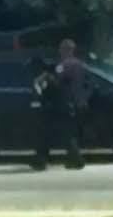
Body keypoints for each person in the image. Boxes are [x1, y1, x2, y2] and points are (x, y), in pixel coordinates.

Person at [33, 39, 89, 171]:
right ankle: (42, 160)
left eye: (62, 49)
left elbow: (57, 83)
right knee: (66, 133)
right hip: (76, 103)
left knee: (49, 132)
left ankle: (43, 160)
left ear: (66, 50)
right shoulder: (80, 65)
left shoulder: (63, 65)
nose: (60, 52)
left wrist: (46, 78)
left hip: (62, 104)